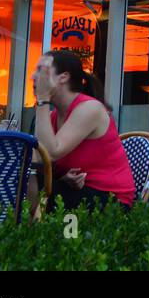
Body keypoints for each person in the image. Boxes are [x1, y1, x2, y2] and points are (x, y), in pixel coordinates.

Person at [32, 50, 135, 209]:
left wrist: (42, 99)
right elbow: (38, 158)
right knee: (25, 177)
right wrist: (62, 179)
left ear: (63, 77)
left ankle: (27, 223)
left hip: (111, 200)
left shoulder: (90, 108)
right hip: (80, 191)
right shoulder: (54, 116)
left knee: (28, 182)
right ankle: (26, 222)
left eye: (41, 70)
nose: (33, 76)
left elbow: (51, 152)